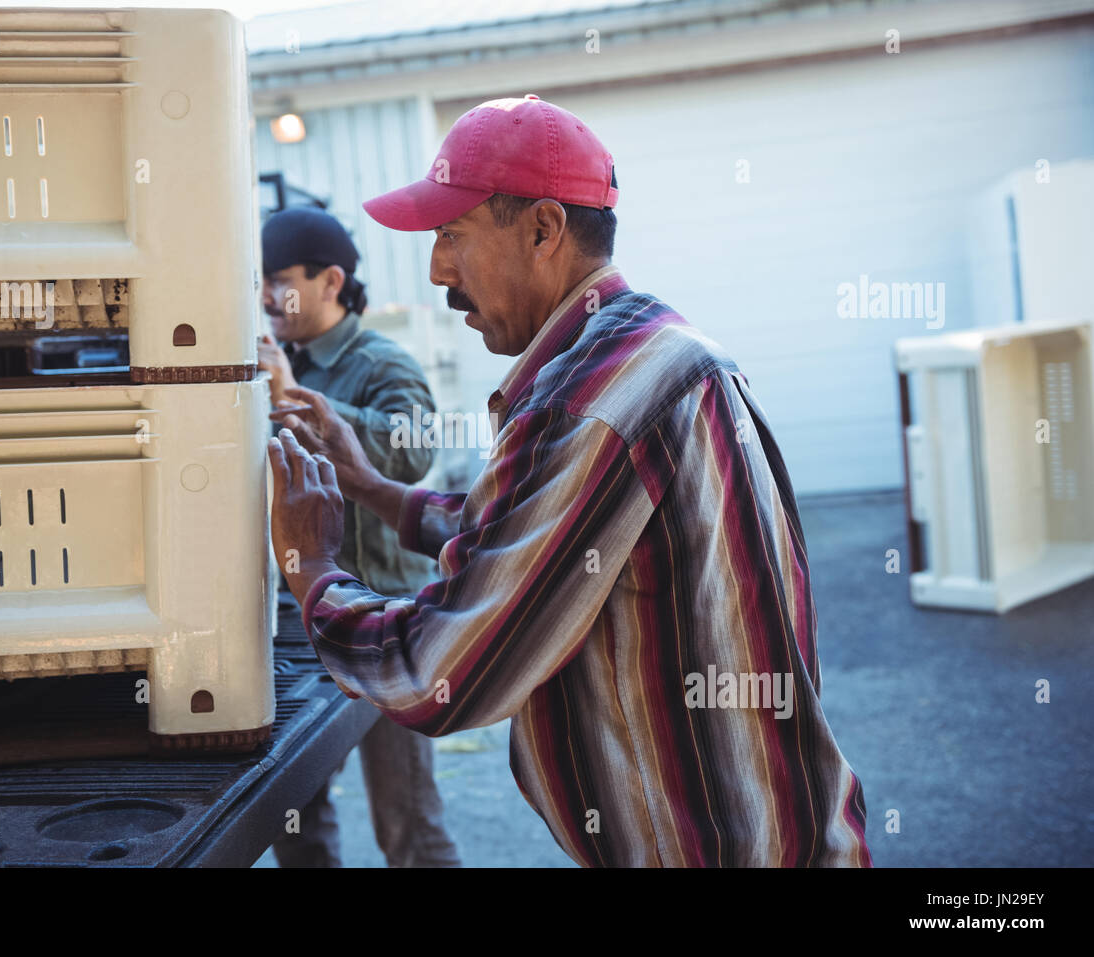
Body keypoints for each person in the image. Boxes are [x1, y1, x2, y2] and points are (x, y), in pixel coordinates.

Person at [266, 95, 873, 867]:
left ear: (544, 230)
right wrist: (371, 486)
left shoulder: (586, 401)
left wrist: (311, 566)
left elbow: (441, 671)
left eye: (452, 236)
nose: (436, 271)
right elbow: (528, 533)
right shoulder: (657, 348)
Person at [257, 206, 461, 868]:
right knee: (296, 819)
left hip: (386, 621)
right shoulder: (274, 364)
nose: (265, 297)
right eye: (257, 282)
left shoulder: (381, 362)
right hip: (299, 624)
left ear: (330, 281)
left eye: (279, 279)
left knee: (408, 825)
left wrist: (296, 395)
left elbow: (410, 458)